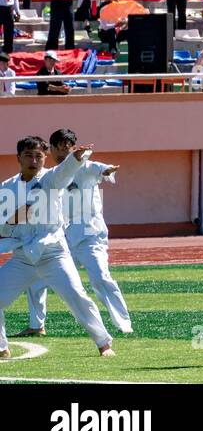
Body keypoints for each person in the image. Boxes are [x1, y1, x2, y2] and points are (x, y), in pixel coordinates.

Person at [0, 136, 114, 357]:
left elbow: (64, 172)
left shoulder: (51, 179)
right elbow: (2, 229)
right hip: (23, 256)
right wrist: (15, 219)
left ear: (44, 158)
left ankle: (104, 344)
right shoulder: (6, 188)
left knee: (76, 296)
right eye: (28, 155)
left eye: (38, 156)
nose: (34, 160)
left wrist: (76, 158)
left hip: (54, 254)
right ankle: (2, 348)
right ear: (18, 158)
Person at [19, 128, 132, 338]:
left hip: (90, 235)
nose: (62, 153)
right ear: (50, 150)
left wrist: (108, 171)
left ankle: (123, 322)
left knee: (100, 277)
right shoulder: (50, 176)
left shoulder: (86, 167)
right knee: (36, 280)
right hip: (62, 237)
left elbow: (102, 169)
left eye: (67, 148)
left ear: (73, 149)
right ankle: (37, 325)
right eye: (57, 148)